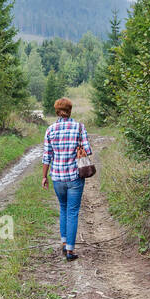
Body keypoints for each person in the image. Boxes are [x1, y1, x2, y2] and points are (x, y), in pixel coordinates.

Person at [41, 97, 92, 261]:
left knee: (63, 208)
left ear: (57, 111)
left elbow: (46, 156)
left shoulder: (50, 129)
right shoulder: (79, 127)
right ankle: (70, 250)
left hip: (57, 177)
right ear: (70, 110)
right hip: (75, 177)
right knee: (72, 212)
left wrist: (44, 177)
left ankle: (64, 243)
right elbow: (88, 150)